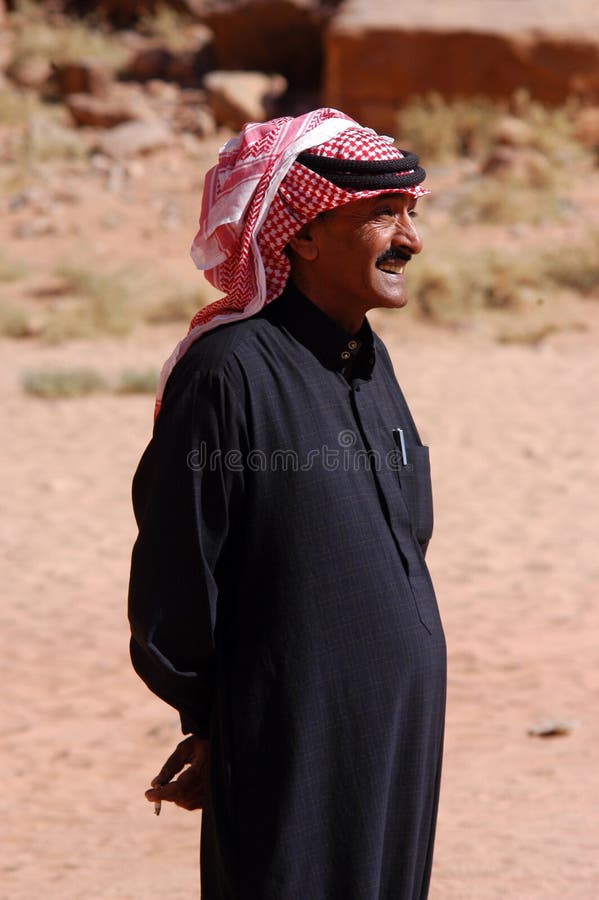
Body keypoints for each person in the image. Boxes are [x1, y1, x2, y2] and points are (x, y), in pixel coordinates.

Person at [128, 107, 446, 899]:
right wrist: (210, 716)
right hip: (293, 725)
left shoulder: (366, 359)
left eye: (411, 212)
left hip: (397, 725)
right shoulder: (229, 371)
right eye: (382, 215)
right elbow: (178, 569)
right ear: (301, 234)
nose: (410, 238)